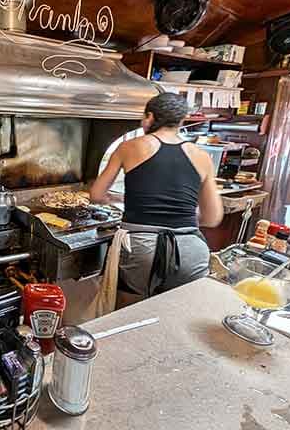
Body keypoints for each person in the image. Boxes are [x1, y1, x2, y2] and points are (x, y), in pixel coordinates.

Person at [90, 92, 223, 297]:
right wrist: (179, 215)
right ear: (180, 120)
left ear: (150, 117)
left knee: (129, 312)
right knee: (175, 313)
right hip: (191, 250)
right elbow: (212, 218)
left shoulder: (130, 147)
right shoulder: (201, 156)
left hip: (143, 247)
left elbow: (97, 195)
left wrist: (118, 200)